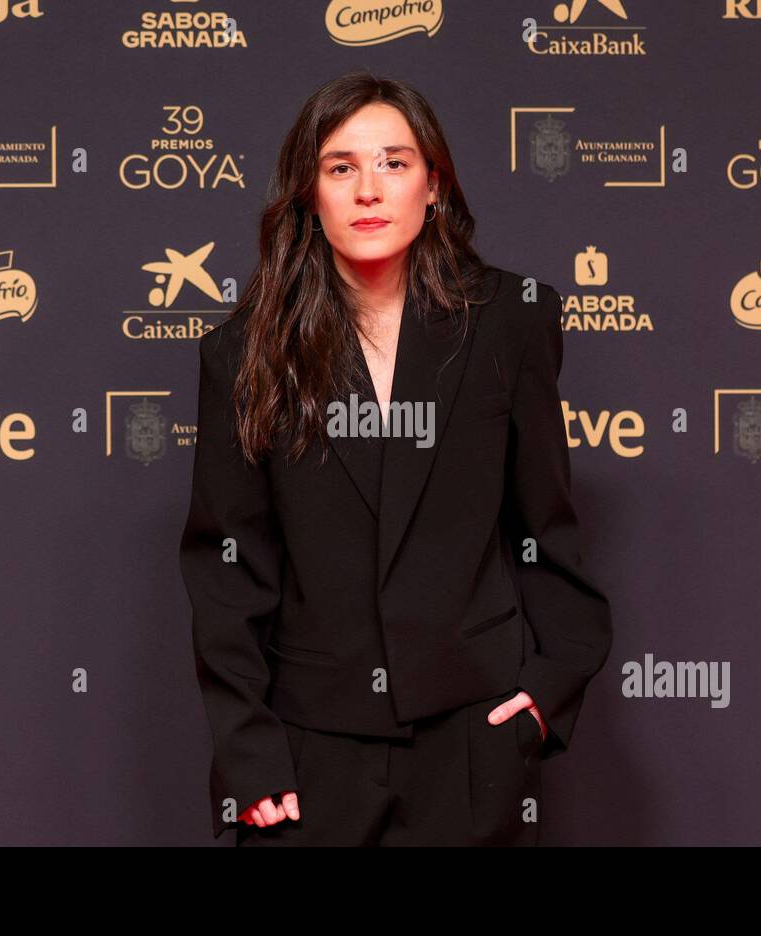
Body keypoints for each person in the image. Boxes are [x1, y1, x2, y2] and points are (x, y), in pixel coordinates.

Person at [178, 71, 613, 846]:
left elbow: (545, 527)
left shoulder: (511, 323)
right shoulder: (243, 353)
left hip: (474, 744)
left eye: (395, 163)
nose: (368, 190)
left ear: (434, 183)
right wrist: (249, 755)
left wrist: (548, 689)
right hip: (309, 760)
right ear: (309, 194)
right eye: (341, 167)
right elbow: (228, 572)